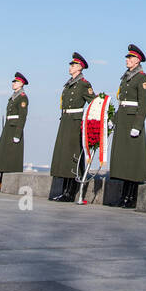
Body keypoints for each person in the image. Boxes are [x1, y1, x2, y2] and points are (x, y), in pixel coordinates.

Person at [108, 44, 146, 209]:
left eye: (130, 58)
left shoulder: (142, 78)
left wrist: (138, 125)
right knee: (124, 160)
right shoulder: (126, 77)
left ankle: (131, 197)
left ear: (137, 60)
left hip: (133, 122)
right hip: (123, 120)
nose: (127, 60)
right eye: (127, 57)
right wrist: (114, 119)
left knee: (132, 162)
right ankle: (123, 196)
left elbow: (144, 104)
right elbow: (122, 103)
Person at [49, 53, 94, 202]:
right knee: (63, 157)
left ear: (80, 67)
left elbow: (93, 102)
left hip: (75, 123)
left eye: (73, 65)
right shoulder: (69, 83)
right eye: (71, 65)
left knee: (71, 157)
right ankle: (63, 191)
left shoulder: (83, 84)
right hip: (66, 121)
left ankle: (70, 193)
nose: (70, 67)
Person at [0, 73, 29, 192]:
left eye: (16, 82)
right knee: (2, 157)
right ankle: (0, 182)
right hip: (8, 128)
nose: (13, 84)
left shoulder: (22, 97)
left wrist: (17, 134)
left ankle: (4, 184)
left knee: (11, 158)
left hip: (14, 129)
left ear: (21, 84)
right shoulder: (13, 97)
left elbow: (22, 117)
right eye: (13, 82)